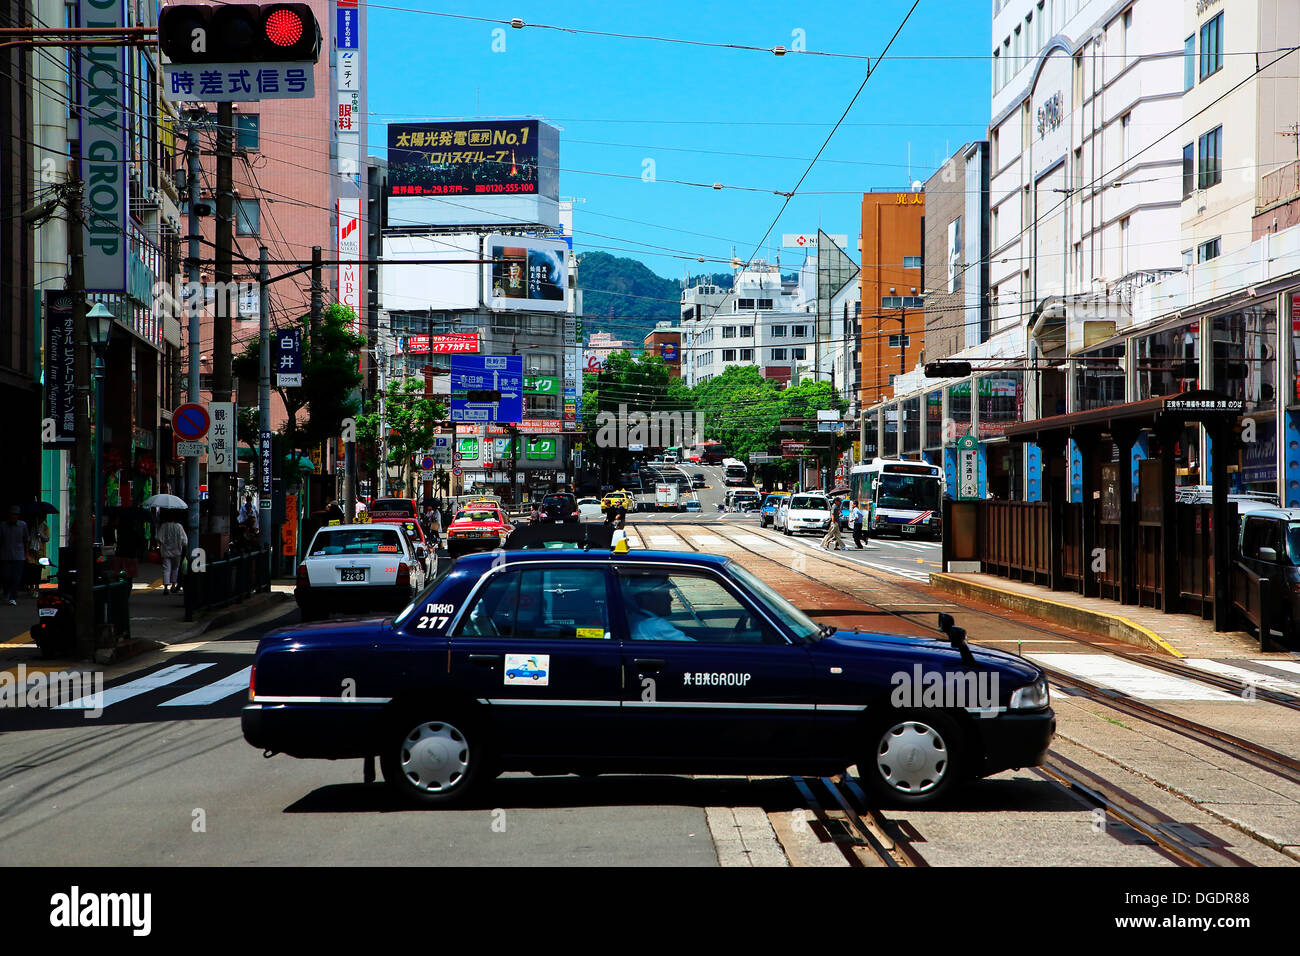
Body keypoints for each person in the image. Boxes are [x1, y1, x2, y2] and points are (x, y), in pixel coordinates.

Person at [624, 581, 693, 642]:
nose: (671, 599)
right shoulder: (654, 625)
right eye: (666, 594)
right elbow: (694, 648)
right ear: (647, 599)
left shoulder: (634, 618)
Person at [0, 506, 29, 604]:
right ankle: (6, 591)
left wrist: (26, 554)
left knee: (16, 577)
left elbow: (26, 540)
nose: (13, 517)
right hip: (5, 555)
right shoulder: (3, 526)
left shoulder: (23, 525)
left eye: (15, 515)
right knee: (6, 576)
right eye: (12, 514)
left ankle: (13, 597)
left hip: (19, 556)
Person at [156, 511, 188, 594]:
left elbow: (158, 538)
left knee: (166, 569)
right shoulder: (179, 526)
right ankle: (173, 585)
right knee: (175, 568)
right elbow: (185, 540)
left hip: (165, 551)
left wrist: (162, 544)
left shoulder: (163, 526)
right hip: (177, 551)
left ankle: (166, 587)